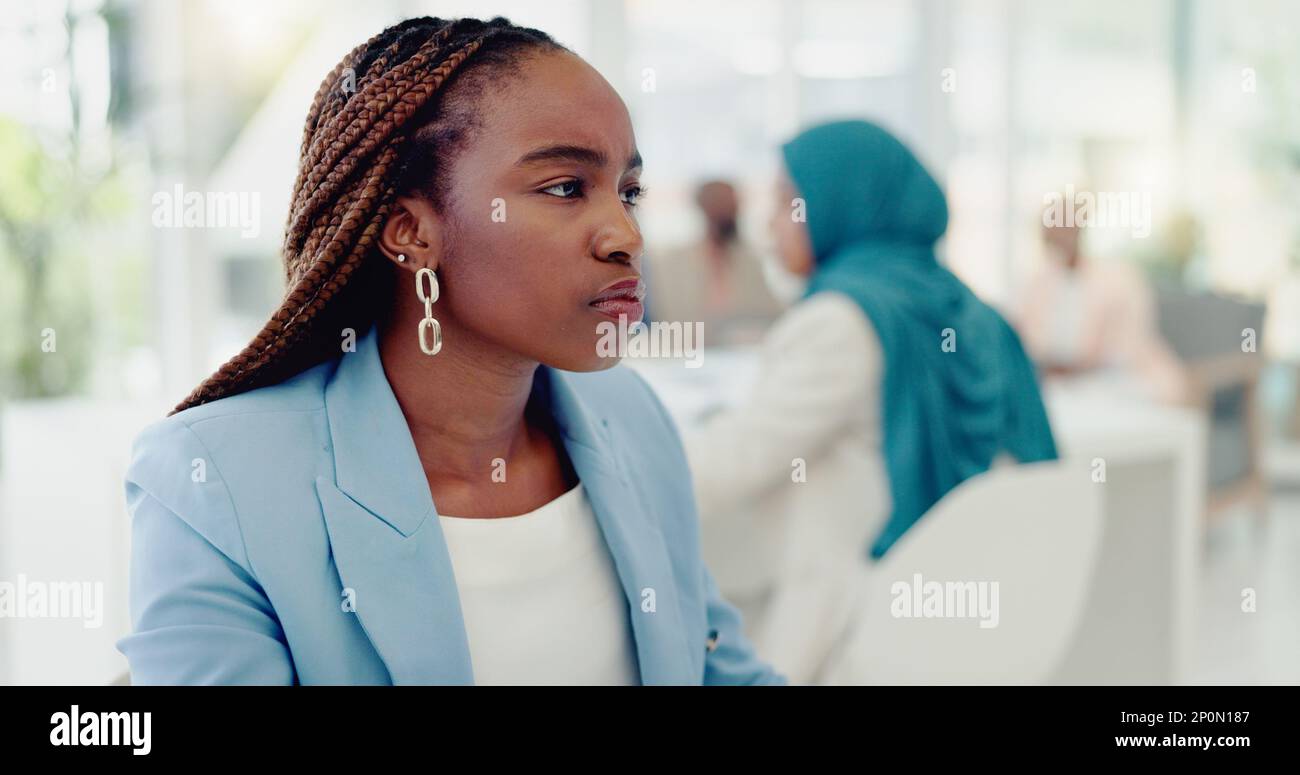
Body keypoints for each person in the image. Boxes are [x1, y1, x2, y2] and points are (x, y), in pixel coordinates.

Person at [115, 16, 784, 686]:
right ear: (411, 230)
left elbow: (718, 667)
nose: (626, 234)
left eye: (627, 192)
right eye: (565, 187)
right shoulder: (213, 485)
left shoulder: (630, 417)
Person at [684, 120, 1057, 684]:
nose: (769, 224)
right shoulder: (972, 309)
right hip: (970, 618)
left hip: (854, 630)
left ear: (843, 204)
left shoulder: (841, 320)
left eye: (789, 203)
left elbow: (724, 469)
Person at [1018, 218, 1187, 403]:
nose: (1059, 237)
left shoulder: (1119, 279)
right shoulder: (1037, 284)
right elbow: (1028, 341)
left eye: (1064, 229)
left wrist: (1080, 367)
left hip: (1112, 378)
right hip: (1056, 382)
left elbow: (1128, 344)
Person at [645, 180, 783, 345]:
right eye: (721, 204)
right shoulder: (674, 262)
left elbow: (773, 316)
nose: (730, 211)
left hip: (742, 355)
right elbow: (667, 319)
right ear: (703, 207)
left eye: (733, 204)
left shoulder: (751, 261)